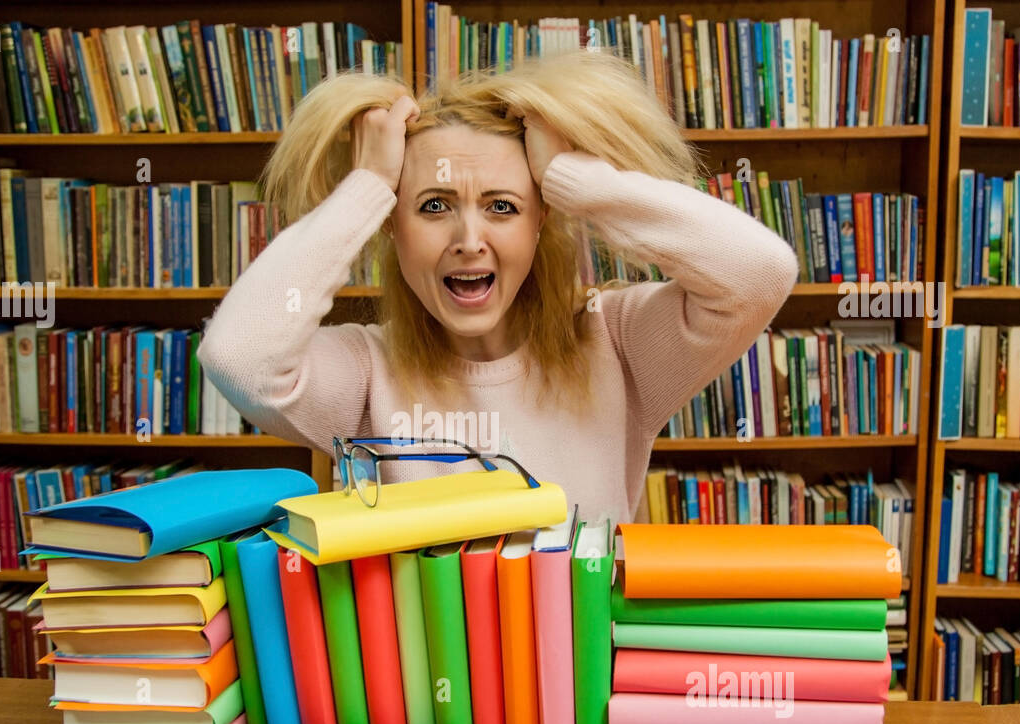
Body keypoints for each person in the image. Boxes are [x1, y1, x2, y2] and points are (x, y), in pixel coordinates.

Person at [197, 50, 799, 523]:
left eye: (502, 206)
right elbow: (238, 358)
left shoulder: (617, 344)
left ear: (541, 222)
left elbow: (759, 273)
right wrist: (368, 186)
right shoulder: (364, 375)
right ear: (392, 226)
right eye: (433, 205)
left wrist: (574, 181)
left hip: (581, 679)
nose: (469, 238)